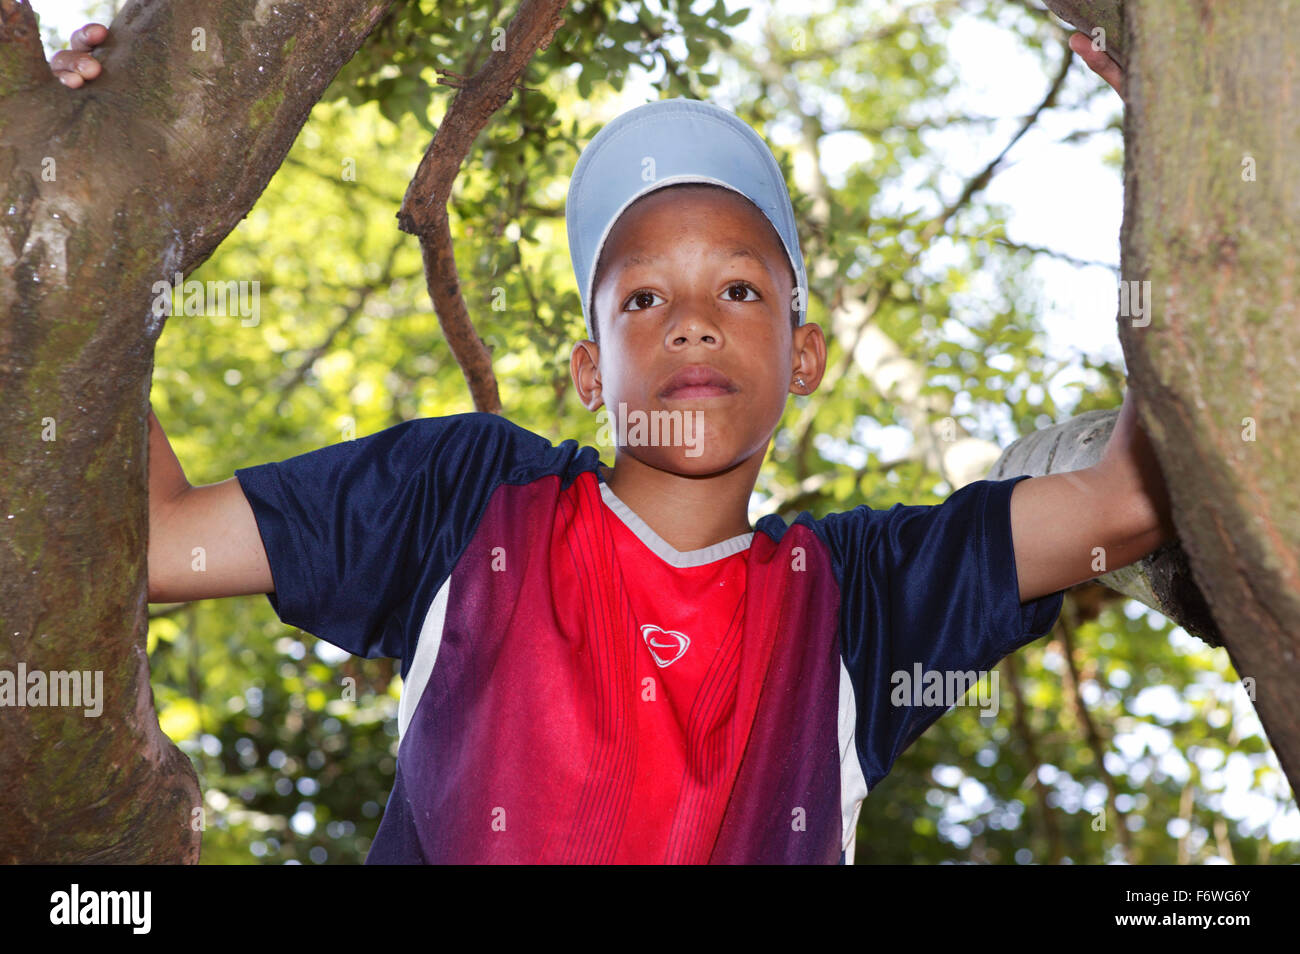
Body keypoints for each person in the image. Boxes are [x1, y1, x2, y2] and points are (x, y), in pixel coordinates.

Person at [54, 24, 1163, 864]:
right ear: (590, 373)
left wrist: (1192, 151)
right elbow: (157, 544)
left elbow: (1126, 500)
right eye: (641, 299)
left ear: (803, 355)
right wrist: (78, 213)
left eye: (737, 287)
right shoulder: (465, 496)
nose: (691, 319)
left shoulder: (864, 598)